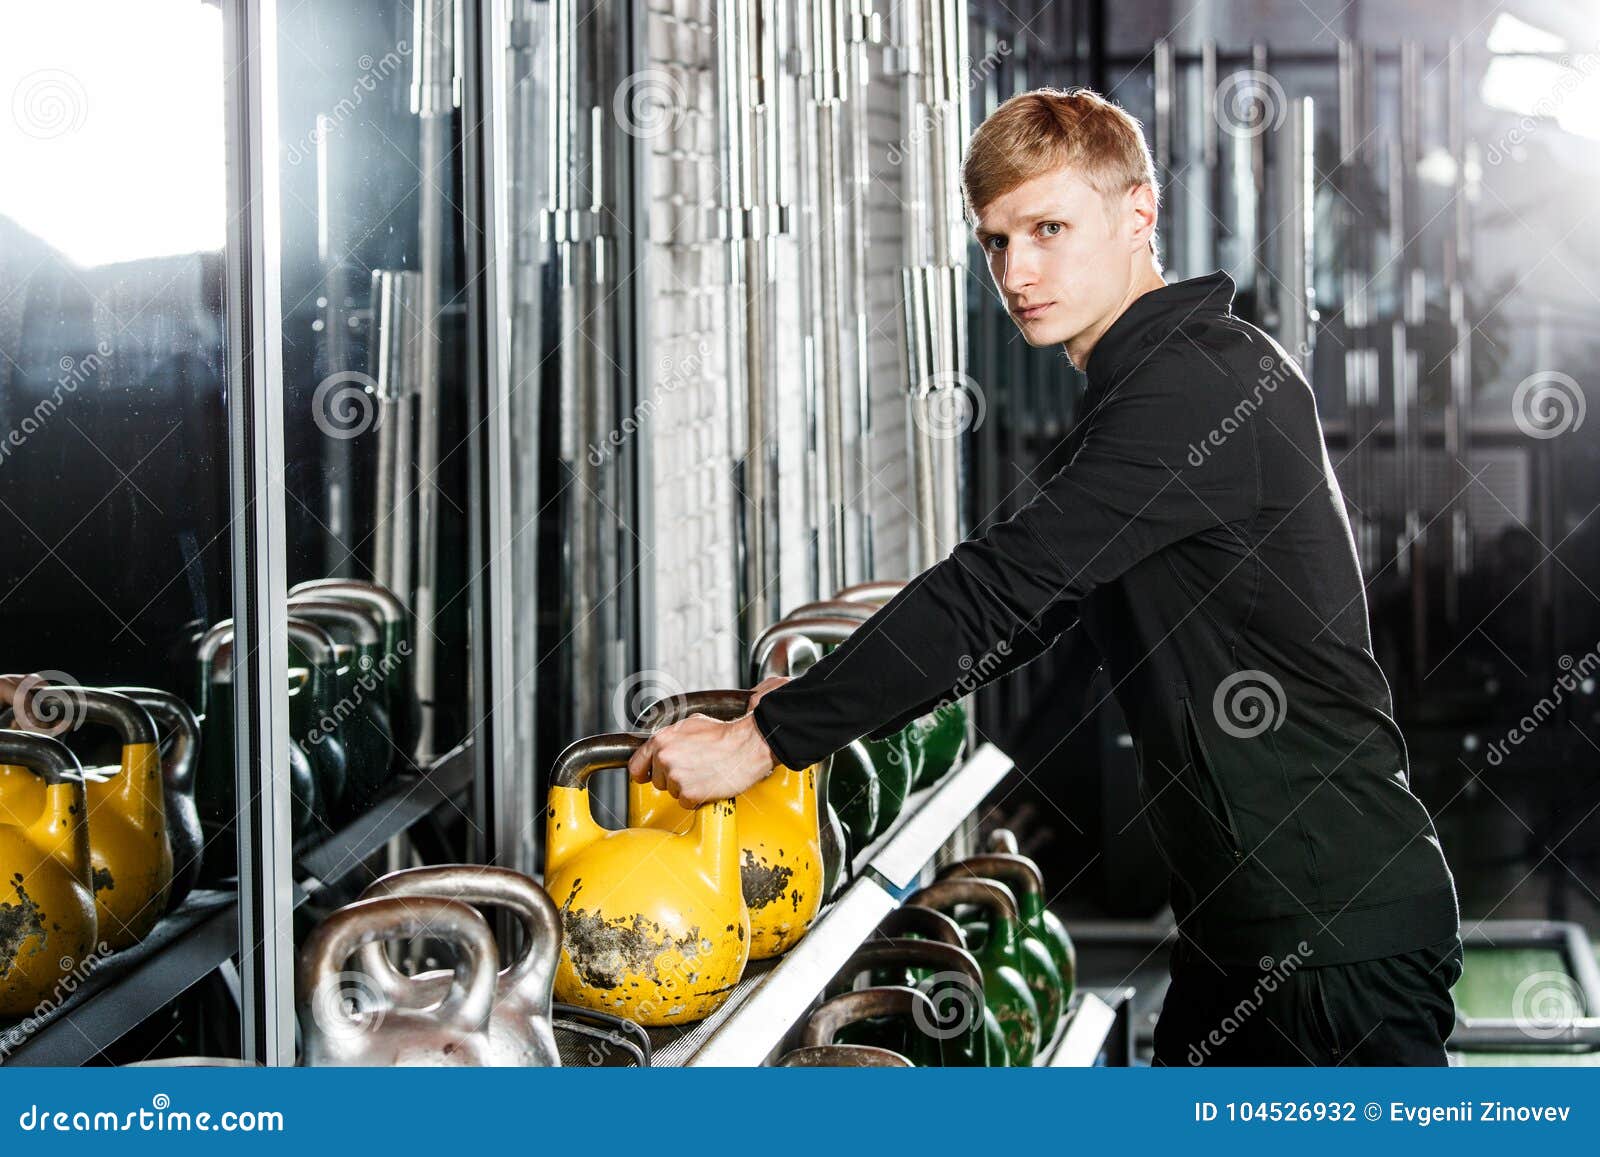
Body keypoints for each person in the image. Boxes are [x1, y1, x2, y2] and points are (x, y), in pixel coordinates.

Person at [626, 87, 1461, 1066]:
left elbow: (1001, 585)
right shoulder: (1156, 384)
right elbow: (1022, 612)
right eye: (995, 241)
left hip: (1330, 935)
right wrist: (818, 697)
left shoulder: (1197, 385)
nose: (1018, 270)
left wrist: (764, 740)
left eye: (1049, 228)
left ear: (1137, 213)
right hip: (1248, 929)